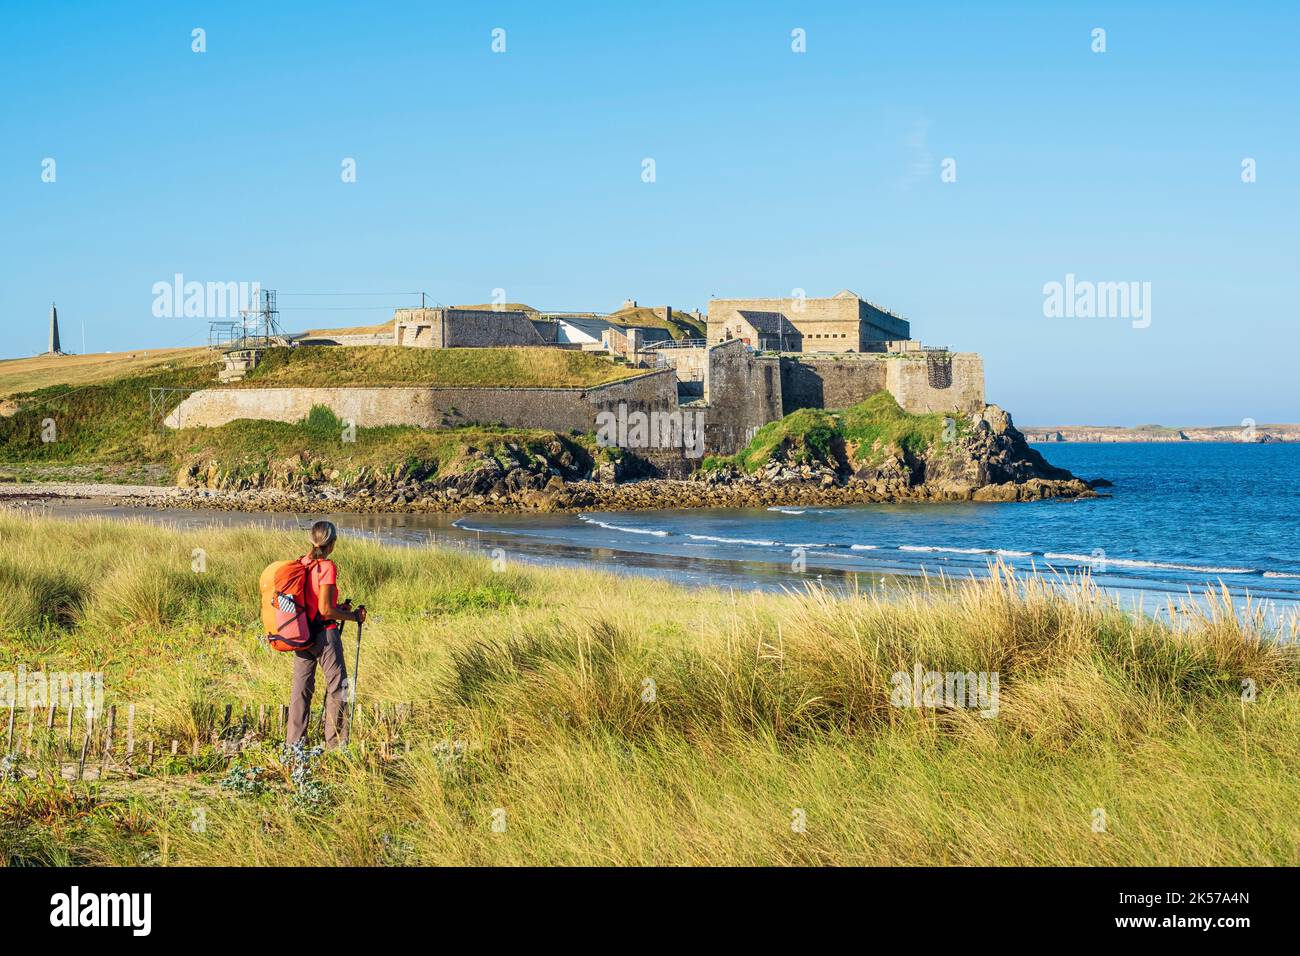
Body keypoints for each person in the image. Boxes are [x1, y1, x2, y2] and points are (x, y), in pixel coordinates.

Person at [285, 520, 366, 748]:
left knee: (301, 690)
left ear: (312, 540)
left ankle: (294, 746)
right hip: (324, 634)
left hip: (301, 634)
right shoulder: (327, 567)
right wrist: (354, 617)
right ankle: (336, 745)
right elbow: (325, 610)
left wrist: (339, 607)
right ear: (331, 543)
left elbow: (314, 602)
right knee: (340, 688)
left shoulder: (302, 562)